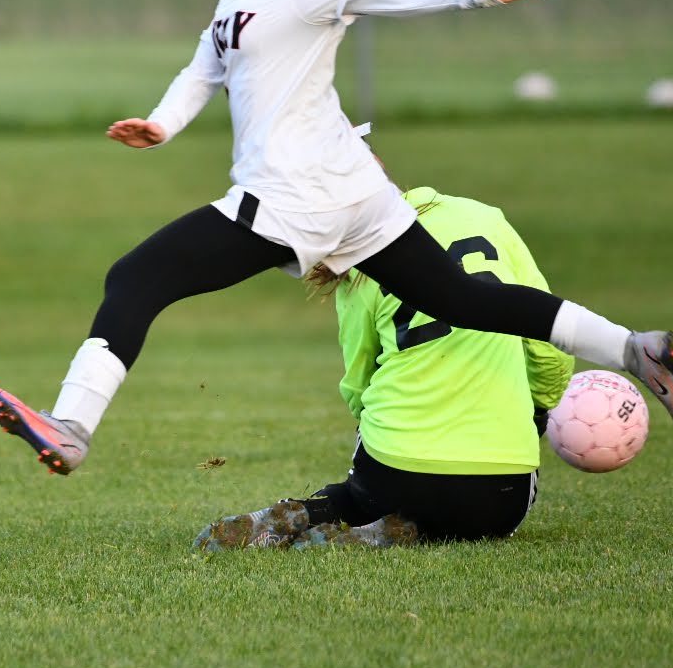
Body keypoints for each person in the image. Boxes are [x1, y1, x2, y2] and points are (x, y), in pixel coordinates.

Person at [0, 0, 673, 477]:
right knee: (462, 298)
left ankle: (72, 427)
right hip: (352, 190)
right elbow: (206, 65)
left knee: (136, 277)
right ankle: (637, 349)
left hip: (296, 192)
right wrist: (163, 125)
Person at [193, 185, 574, 549]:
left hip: (397, 472)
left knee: (360, 496)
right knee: (486, 512)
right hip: (499, 493)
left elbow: (359, 385)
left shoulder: (358, 260)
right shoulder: (485, 218)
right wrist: (537, 412)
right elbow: (550, 347)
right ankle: (405, 530)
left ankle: (317, 511)